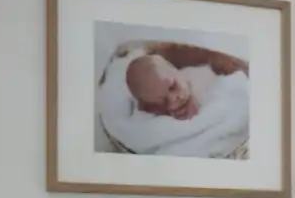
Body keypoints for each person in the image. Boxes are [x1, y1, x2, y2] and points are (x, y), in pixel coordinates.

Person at [97, 41, 250, 158]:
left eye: (172, 87)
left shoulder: (197, 74)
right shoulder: (154, 117)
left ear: (173, 68)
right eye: (163, 103)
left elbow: (228, 91)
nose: (174, 99)